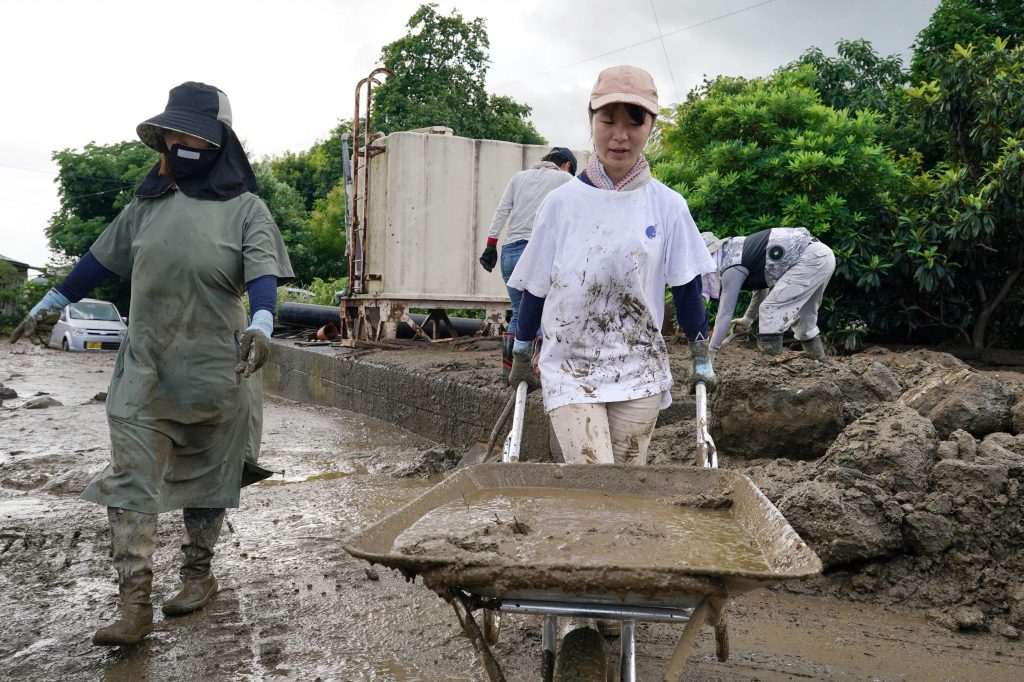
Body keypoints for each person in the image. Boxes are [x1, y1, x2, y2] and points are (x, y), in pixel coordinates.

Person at [10, 81, 294, 646]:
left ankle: (197, 574)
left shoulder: (247, 210)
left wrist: (262, 322)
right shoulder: (145, 206)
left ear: (217, 143)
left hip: (221, 370)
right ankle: (134, 602)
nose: (177, 141)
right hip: (146, 371)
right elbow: (96, 261)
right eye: (172, 132)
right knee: (131, 481)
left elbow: (263, 277)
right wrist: (53, 300)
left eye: (190, 133)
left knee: (212, 478)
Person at [506, 65, 716, 468]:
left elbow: (687, 287)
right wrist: (520, 350)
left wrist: (700, 351)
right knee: (595, 475)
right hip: (569, 365)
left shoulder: (668, 206)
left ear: (651, 126)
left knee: (625, 484)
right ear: (591, 121)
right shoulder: (560, 204)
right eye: (608, 121)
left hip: (639, 369)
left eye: (634, 123)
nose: (620, 135)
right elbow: (534, 287)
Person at [478, 147, 577, 377]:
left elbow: (502, 210)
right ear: (567, 165)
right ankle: (537, 370)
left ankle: (509, 371)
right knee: (543, 313)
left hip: (509, 252)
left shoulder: (518, 177)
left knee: (518, 312)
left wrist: (491, 245)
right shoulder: (565, 179)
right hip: (537, 253)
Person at [701, 227, 836, 359]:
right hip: (822, 255)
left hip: (810, 259)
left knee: (770, 311)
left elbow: (725, 314)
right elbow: (761, 288)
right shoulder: (736, 249)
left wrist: (711, 351)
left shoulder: (731, 264)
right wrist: (748, 319)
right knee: (804, 320)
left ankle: (769, 374)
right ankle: (819, 364)